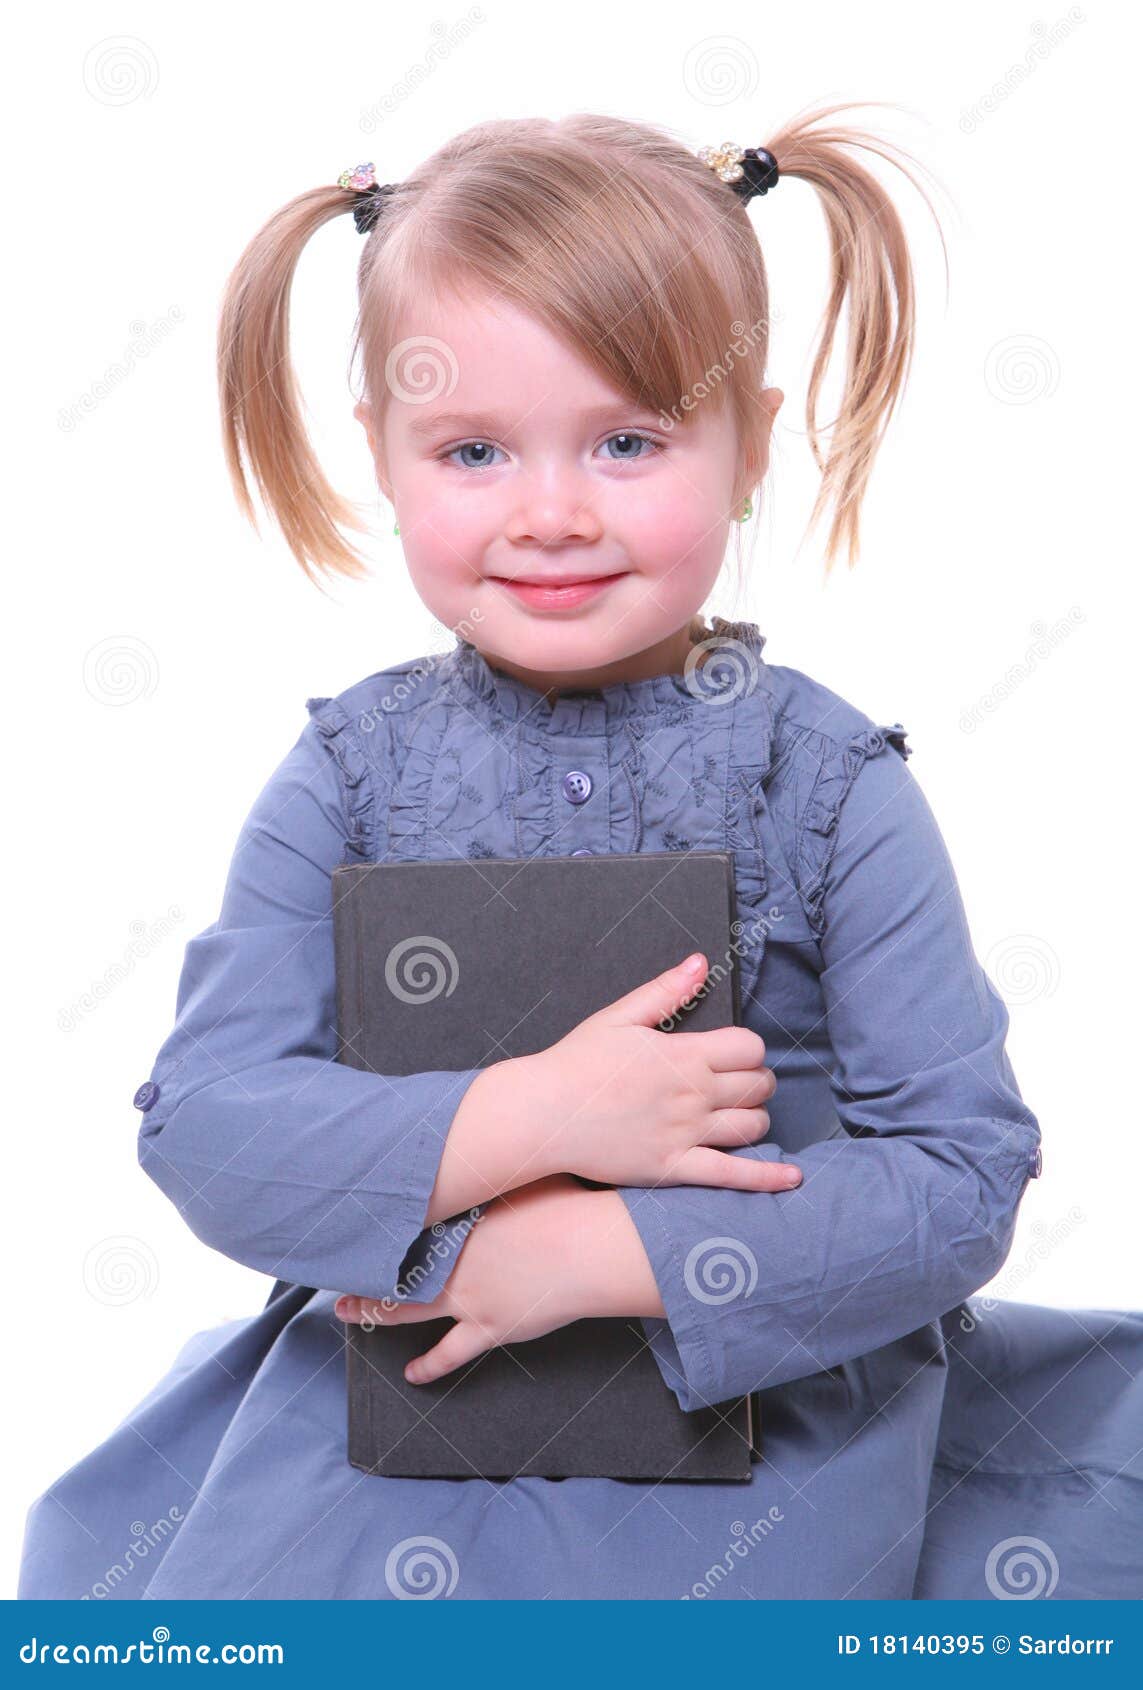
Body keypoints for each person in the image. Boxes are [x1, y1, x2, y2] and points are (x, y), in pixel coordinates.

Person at [19, 105, 1142, 1602]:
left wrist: (607, 1253)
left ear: (749, 436)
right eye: (473, 449)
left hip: (772, 1421)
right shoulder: (348, 773)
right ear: (384, 453)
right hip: (404, 1386)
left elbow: (962, 1176)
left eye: (628, 441)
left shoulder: (827, 781)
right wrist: (532, 1114)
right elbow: (208, 1124)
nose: (551, 513)